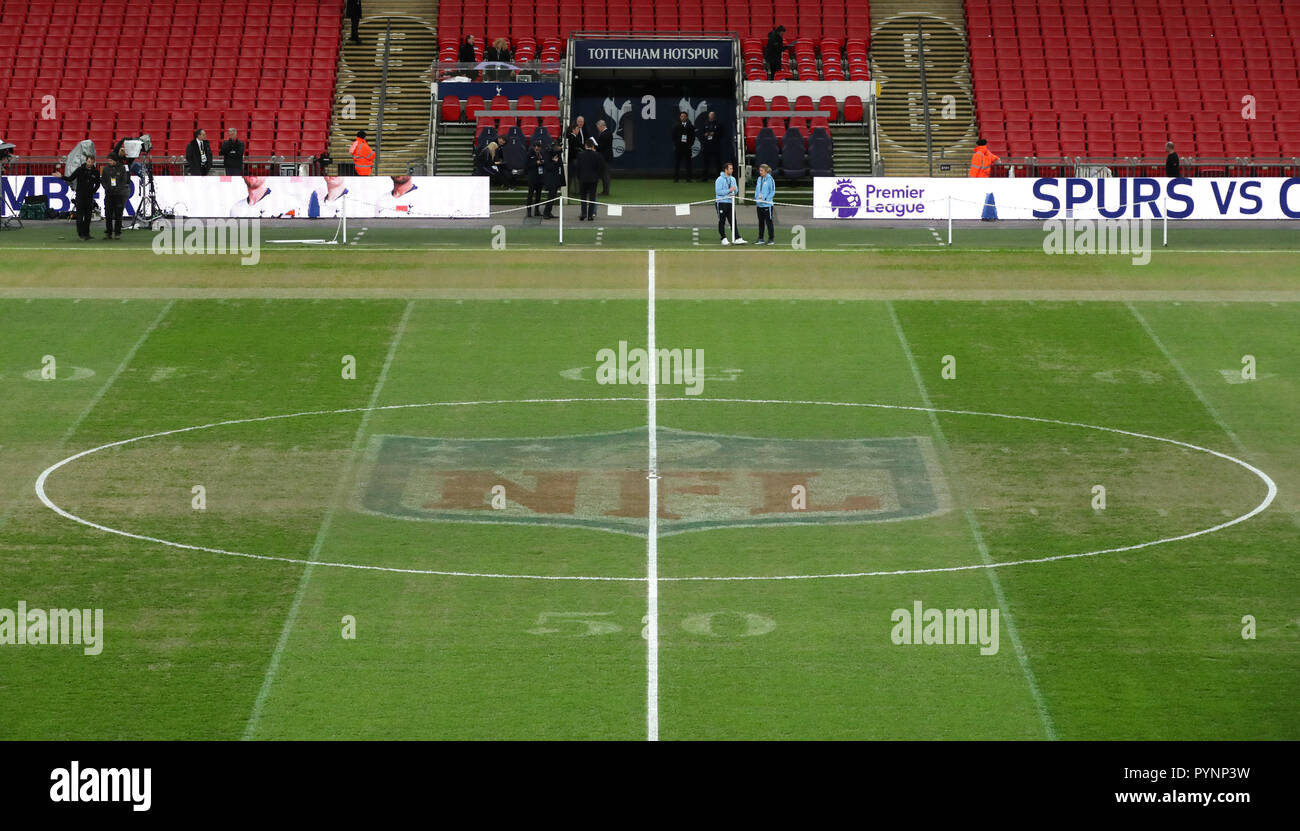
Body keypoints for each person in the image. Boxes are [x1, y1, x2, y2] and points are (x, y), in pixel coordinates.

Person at [65, 152, 99, 240]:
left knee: (88, 217)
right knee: (80, 217)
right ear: (86, 161)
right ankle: (80, 234)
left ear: (93, 162)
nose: (90, 163)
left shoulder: (95, 172)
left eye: (91, 162)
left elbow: (98, 183)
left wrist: (93, 191)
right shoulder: (80, 170)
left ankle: (87, 234)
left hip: (89, 197)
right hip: (80, 196)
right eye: (88, 161)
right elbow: (70, 178)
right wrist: (61, 176)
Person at [101, 152, 131, 240]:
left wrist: (117, 189)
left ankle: (117, 233)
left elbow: (124, 181)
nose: (109, 162)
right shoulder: (105, 169)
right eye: (108, 160)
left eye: (110, 160)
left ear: (115, 160)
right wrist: (107, 188)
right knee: (108, 214)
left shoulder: (122, 168)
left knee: (118, 214)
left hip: (119, 195)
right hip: (109, 195)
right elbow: (103, 181)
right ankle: (109, 233)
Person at [714, 161, 745, 244]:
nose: (732, 170)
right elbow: (718, 192)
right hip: (721, 203)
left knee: (733, 221)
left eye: (732, 168)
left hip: (730, 202)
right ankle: (723, 238)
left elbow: (736, 190)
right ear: (725, 170)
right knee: (722, 221)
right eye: (730, 169)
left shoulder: (733, 179)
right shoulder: (719, 179)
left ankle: (737, 237)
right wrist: (729, 190)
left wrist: (733, 192)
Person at [575, 137, 602, 221]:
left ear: (585, 145)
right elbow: (599, 168)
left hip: (583, 179)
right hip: (593, 180)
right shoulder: (597, 155)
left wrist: (579, 177)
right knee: (592, 197)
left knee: (583, 197)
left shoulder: (580, 155)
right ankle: (590, 215)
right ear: (592, 145)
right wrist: (597, 177)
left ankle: (583, 214)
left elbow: (578, 168)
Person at [540, 144, 565, 219]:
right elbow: (548, 167)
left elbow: (559, 163)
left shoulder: (555, 155)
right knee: (551, 196)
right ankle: (546, 213)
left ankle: (548, 212)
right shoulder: (548, 156)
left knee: (552, 196)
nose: (560, 148)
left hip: (555, 179)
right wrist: (554, 162)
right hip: (551, 179)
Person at [753, 163, 775, 245]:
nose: (760, 172)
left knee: (769, 222)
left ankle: (771, 239)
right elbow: (757, 190)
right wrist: (756, 198)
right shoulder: (759, 179)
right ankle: (761, 238)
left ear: (766, 171)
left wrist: (766, 199)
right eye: (760, 170)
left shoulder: (770, 180)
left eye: (761, 171)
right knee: (761, 222)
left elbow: (772, 192)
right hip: (759, 205)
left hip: (767, 205)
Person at [699, 111, 723, 182]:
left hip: (715, 145)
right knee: (706, 162)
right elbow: (702, 133)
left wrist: (714, 133)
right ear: (708, 116)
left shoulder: (718, 124)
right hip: (707, 146)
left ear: (714, 116)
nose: (711, 116)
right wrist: (705, 135)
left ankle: (719, 178)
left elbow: (721, 133)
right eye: (710, 115)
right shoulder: (705, 123)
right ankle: (704, 177)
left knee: (717, 162)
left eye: (713, 115)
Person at [672, 111, 695, 182]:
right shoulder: (676, 126)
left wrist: (689, 145)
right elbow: (673, 137)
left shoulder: (690, 126)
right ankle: (676, 178)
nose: (683, 117)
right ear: (680, 117)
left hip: (687, 148)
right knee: (677, 163)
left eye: (684, 116)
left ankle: (688, 178)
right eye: (682, 116)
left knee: (688, 163)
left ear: (687, 117)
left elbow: (692, 137)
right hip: (679, 148)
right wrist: (677, 145)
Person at [525, 140, 546, 217]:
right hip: (532, 177)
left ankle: (537, 210)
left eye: (538, 146)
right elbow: (526, 166)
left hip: (540, 177)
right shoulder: (529, 154)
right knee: (530, 195)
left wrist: (542, 162)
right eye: (535, 146)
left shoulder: (541, 154)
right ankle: (529, 211)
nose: (537, 148)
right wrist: (535, 163)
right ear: (533, 147)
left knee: (538, 195)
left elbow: (544, 163)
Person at [594, 119, 613, 195]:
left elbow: (601, 146)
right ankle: (605, 191)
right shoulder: (606, 133)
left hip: (604, 158)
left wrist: (594, 146)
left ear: (601, 126)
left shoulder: (605, 134)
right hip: (604, 157)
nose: (597, 128)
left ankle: (606, 191)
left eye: (598, 127)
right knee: (604, 175)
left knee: (605, 175)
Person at [565, 121, 584, 190]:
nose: (578, 130)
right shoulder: (573, 138)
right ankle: (575, 190)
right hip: (573, 160)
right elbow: (576, 148)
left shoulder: (571, 137)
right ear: (573, 130)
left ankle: (572, 190)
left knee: (572, 176)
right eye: (577, 129)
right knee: (574, 175)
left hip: (572, 160)